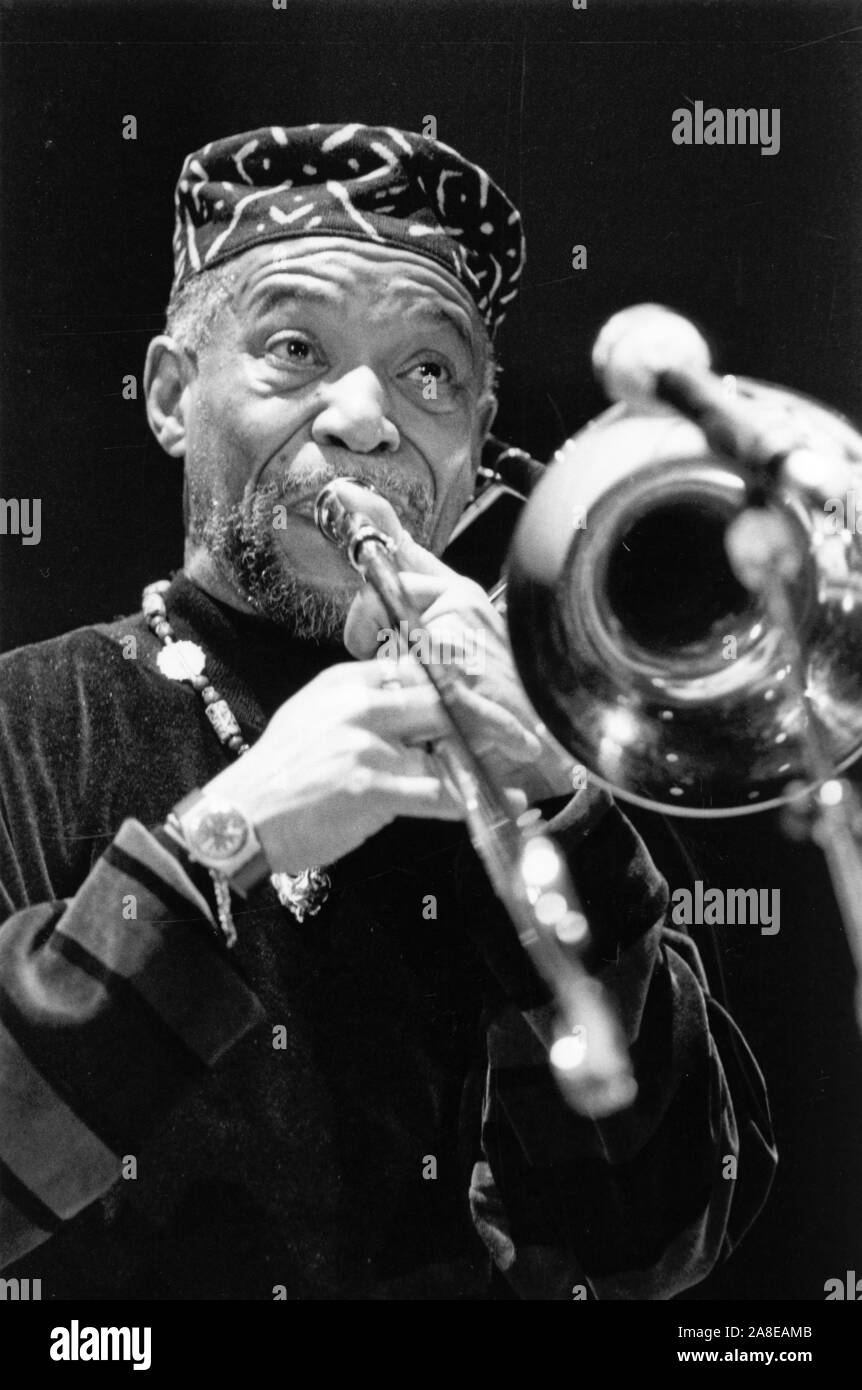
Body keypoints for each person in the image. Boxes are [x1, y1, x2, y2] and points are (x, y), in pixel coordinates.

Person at [0, 122, 776, 1301]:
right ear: (170, 394)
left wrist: (557, 811)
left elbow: (656, 1248)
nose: (366, 419)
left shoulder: (536, 743)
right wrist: (227, 839)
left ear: (475, 449)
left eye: (430, 375)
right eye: (295, 348)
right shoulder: (24, 715)